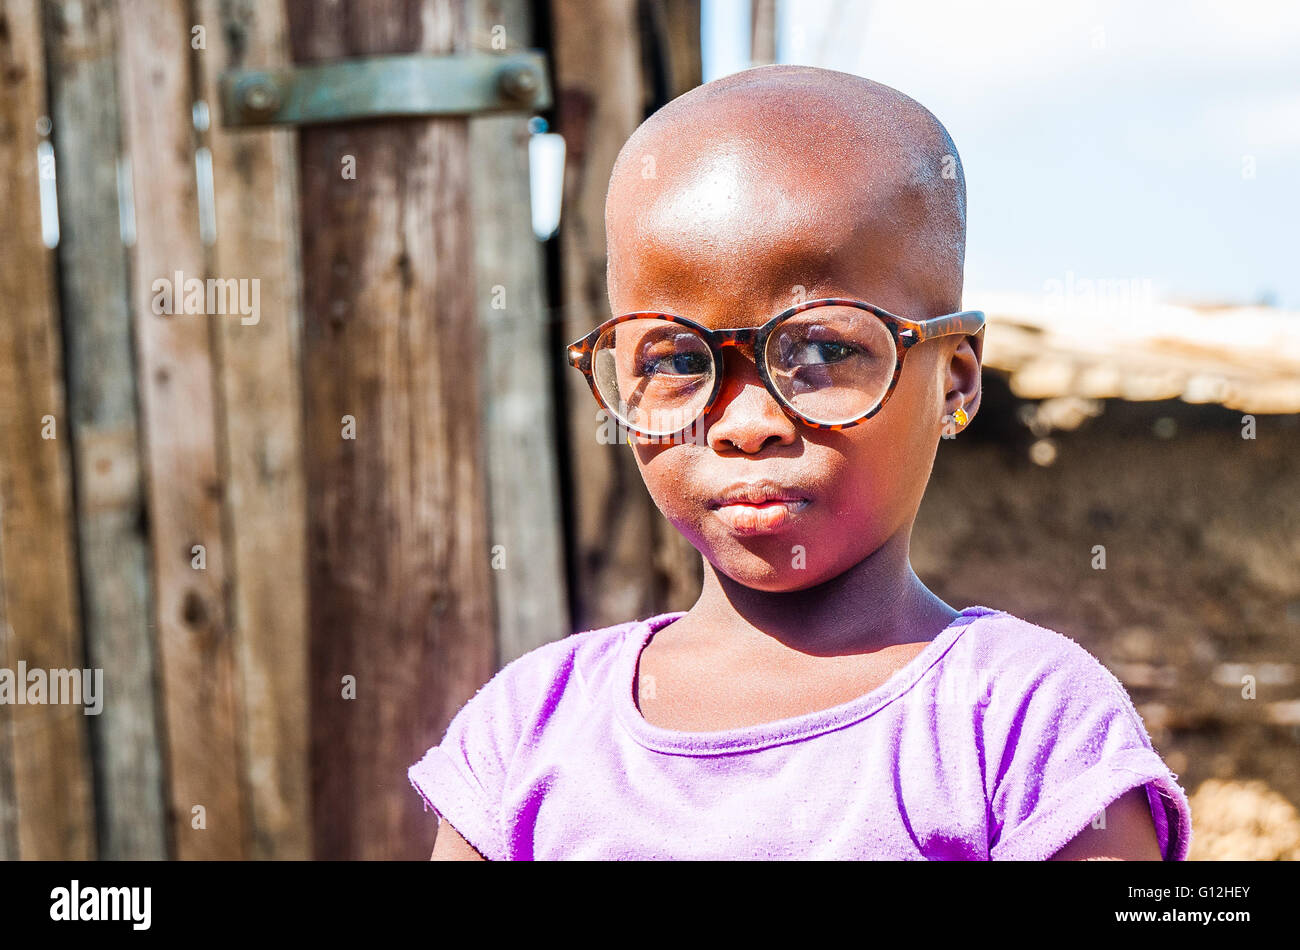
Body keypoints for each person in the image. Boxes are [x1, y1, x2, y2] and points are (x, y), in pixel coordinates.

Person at [408, 64, 1192, 860]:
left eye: (822, 348)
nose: (747, 424)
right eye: (677, 359)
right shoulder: (528, 731)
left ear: (954, 375)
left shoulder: (1022, 723)